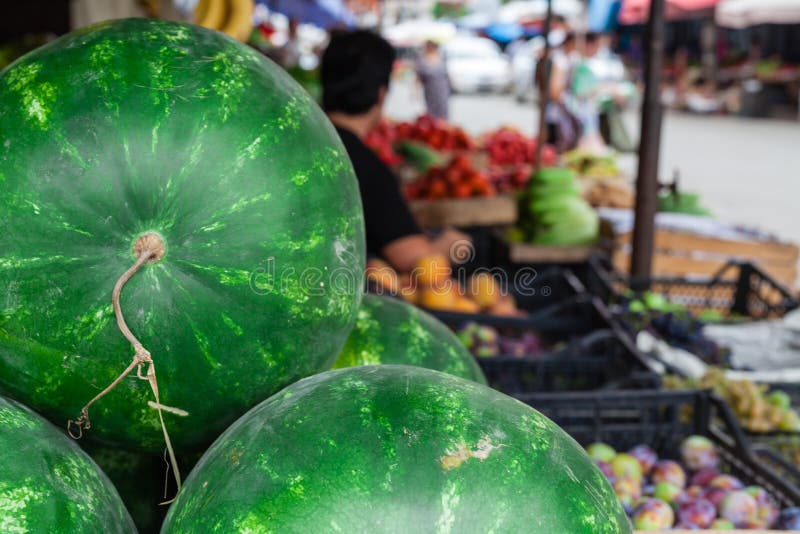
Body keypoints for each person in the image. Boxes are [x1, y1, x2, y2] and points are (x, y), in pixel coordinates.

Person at [321, 30, 469, 273]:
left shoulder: (306, 144)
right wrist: (452, 244)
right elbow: (415, 261)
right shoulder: (362, 166)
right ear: (381, 93)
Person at [414, 40, 451, 119]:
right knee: (431, 109)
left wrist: (452, 84)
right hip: (429, 89)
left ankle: (443, 126)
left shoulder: (441, 57)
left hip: (442, 88)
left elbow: (447, 73)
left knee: (443, 108)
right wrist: (415, 91)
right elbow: (418, 76)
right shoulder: (421, 59)